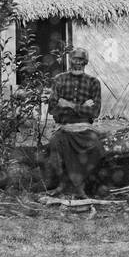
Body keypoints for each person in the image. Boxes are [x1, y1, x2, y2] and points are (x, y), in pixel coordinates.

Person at [45, 47, 105, 198]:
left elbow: (94, 112)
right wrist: (83, 106)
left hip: (85, 129)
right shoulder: (59, 79)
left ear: (86, 62)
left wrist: (68, 105)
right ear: (69, 60)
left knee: (96, 147)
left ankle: (80, 186)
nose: (77, 63)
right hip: (64, 128)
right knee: (54, 144)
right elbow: (53, 109)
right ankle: (63, 184)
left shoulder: (93, 83)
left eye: (81, 60)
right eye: (75, 59)